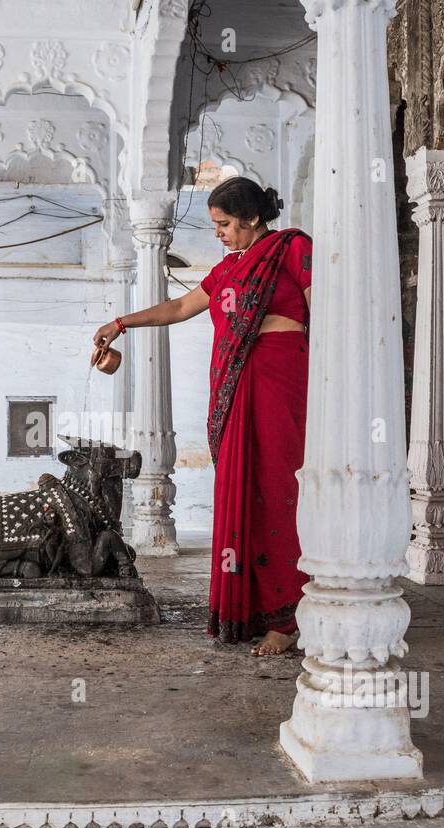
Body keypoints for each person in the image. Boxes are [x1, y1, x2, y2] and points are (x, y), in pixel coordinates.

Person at [93, 178, 312, 656]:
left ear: (251, 218)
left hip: (281, 381)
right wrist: (121, 324)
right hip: (236, 391)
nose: (219, 233)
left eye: (224, 224)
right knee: (241, 494)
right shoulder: (228, 271)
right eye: (215, 225)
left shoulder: (291, 249)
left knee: (279, 493)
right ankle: (252, 609)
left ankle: (290, 616)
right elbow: (180, 307)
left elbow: (326, 312)